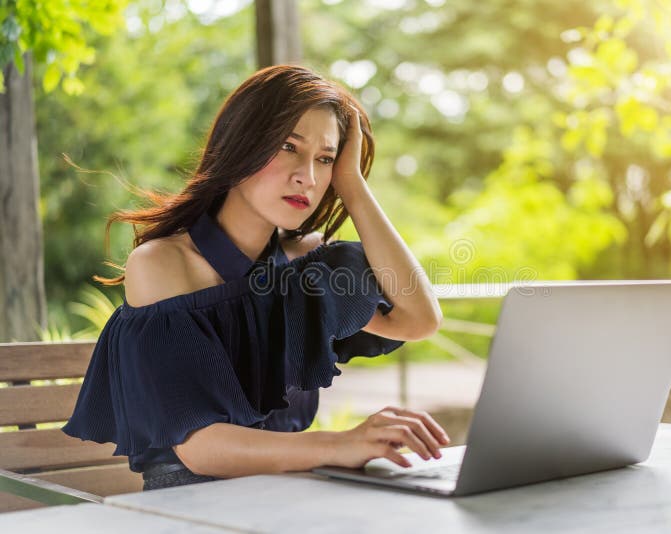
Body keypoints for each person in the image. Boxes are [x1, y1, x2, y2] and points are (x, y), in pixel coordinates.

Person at [62, 65, 448, 491]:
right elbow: (201, 446)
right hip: (193, 506)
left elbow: (419, 318)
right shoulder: (162, 264)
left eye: (325, 159)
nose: (309, 177)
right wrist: (340, 445)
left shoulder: (309, 263)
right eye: (288, 146)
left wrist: (353, 187)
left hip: (291, 495)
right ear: (242, 144)